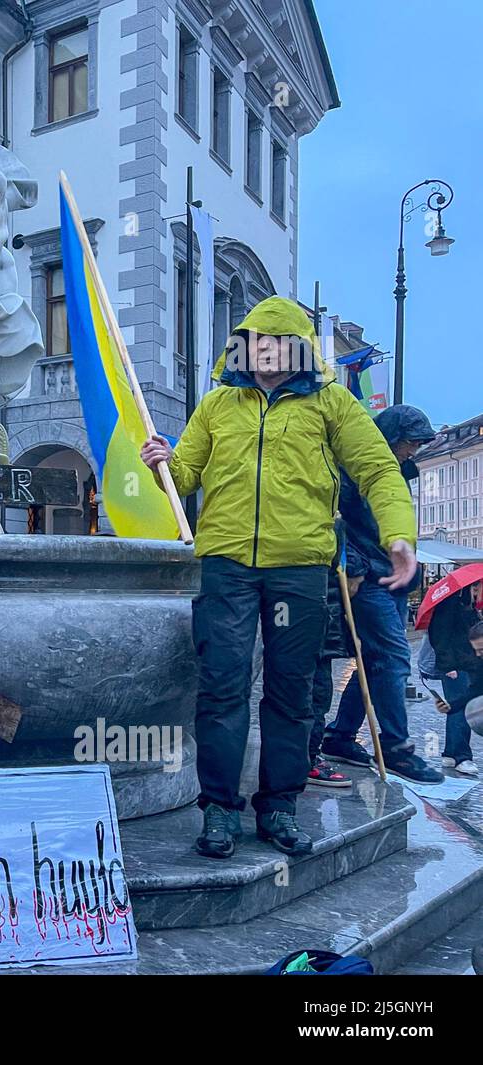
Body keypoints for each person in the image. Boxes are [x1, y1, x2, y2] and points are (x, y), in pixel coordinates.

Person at [141, 297, 416, 860]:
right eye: (254, 341)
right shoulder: (218, 405)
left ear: (299, 347)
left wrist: (398, 535)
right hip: (226, 564)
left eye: (276, 341)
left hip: (301, 567)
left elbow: (379, 470)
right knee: (222, 686)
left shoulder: (333, 405)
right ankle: (219, 809)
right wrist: (161, 461)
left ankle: (280, 806)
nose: (264, 351)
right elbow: (186, 475)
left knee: (292, 692)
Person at [319, 406, 442, 783]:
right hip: (369, 576)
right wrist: (354, 566)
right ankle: (395, 747)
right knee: (392, 657)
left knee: (375, 660)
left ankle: (340, 736)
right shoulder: (355, 465)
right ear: (391, 438)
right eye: (410, 443)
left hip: (389, 575)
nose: (413, 451)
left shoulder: (395, 472)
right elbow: (336, 517)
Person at [427, 586, 483, 777]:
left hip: (468, 663)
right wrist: (448, 666)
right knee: (463, 708)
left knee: (457, 706)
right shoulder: (451, 602)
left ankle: (451, 753)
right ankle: (461, 756)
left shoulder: (468, 604)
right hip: (455, 666)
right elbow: (439, 635)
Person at [305, 561, 353, 788]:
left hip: (324, 622)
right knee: (313, 696)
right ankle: (307, 760)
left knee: (319, 695)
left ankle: (309, 756)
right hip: (313, 620)